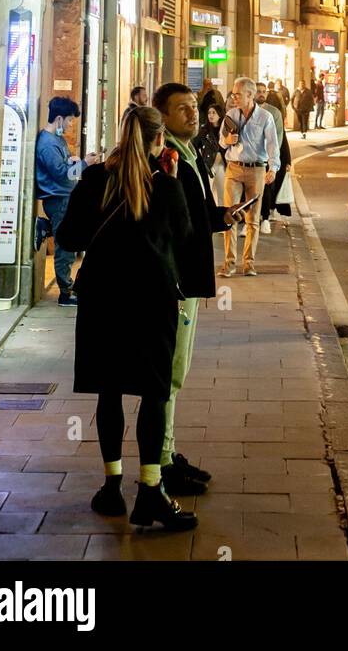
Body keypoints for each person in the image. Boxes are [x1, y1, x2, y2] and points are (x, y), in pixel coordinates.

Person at [56, 106, 198, 532]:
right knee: (153, 394)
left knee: (110, 390)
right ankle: (151, 490)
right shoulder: (166, 188)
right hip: (152, 303)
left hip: (103, 300)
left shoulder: (95, 180)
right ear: (159, 142)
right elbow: (185, 239)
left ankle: (112, 485)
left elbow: (69, 237)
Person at [152, 82, 239, 495]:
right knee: (169, 374)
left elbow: (195, 212)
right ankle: (162, 463)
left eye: (192, 107)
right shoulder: (165, 158)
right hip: (175, 280)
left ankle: (168, 453)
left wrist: (221, 217)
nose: (191, 114)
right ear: (162, 117)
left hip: (187, 278)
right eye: (181, 109)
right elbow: (174, 222)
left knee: (177, 372)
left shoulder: (189, 153)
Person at [35, 97, 97, 307]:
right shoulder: (47, 145)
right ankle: (65, 291)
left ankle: (45, 227)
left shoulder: (57, 140)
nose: (71, 125)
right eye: (69, 120)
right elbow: (63, 174)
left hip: (64, 197)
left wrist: (76, 161)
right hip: (58, 199)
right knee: (65, 247)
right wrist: (84, 164)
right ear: (59, 119)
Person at [218, 77, 279, 276]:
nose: (234, 97)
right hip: (234, 168)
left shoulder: (265, 117)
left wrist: (273, 168)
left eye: (238, 94)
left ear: (249, 95)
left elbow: (272, 144)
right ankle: (229, 263)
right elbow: (222, 142)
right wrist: (228, 139)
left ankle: (249, 263)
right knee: (229, 216)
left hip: (256, 169)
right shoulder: (230, 115)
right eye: (233, 94)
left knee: (253, 219)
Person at [255, 81, 291, 234]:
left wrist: (275, 160)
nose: (262, 93)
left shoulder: (274, 113)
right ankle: (252, 220)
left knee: (267, 188)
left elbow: (279, 138)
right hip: (251, 159)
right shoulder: (244, 111)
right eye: (258, 91)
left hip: (267, 157)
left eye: (264, 91)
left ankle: (265, 219)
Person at [193, 103, 225, 198]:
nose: (211, 115)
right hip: (209, 163)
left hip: (223, 162)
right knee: (210, 190)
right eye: (209, 113)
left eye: (213, 113)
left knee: (222, 191)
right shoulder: (204, 130)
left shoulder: (224, 129)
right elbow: (195, 144)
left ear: (219, 114)